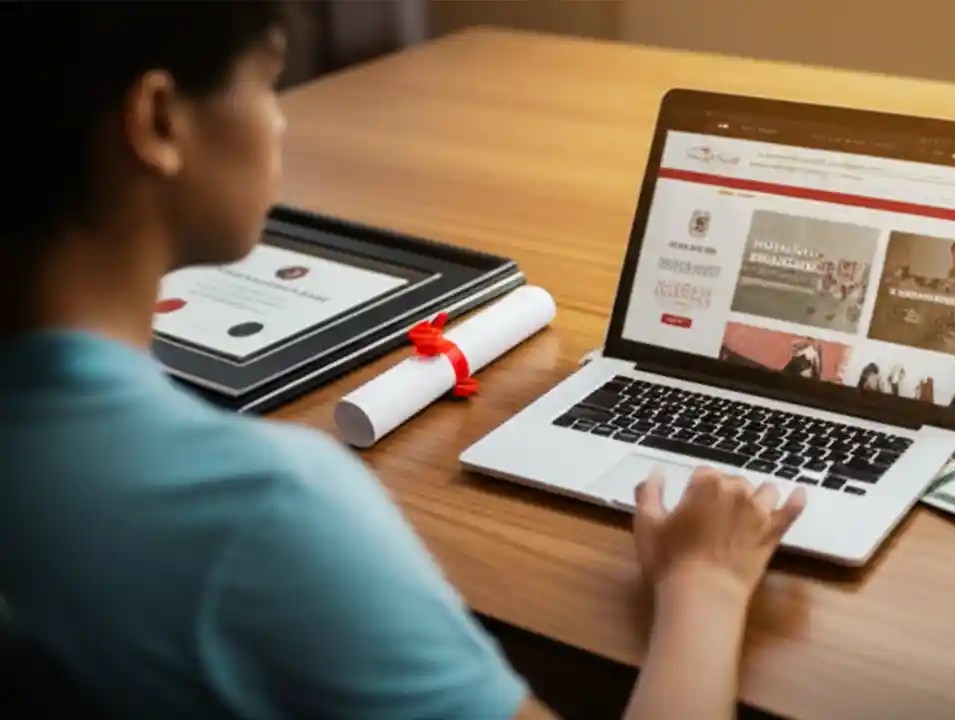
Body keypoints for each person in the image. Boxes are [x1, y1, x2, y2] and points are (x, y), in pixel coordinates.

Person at [0, 3, 806, 719]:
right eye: (269, 83)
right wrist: (706, 586)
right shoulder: (263, 511)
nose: (279, 123)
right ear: (158, 121)